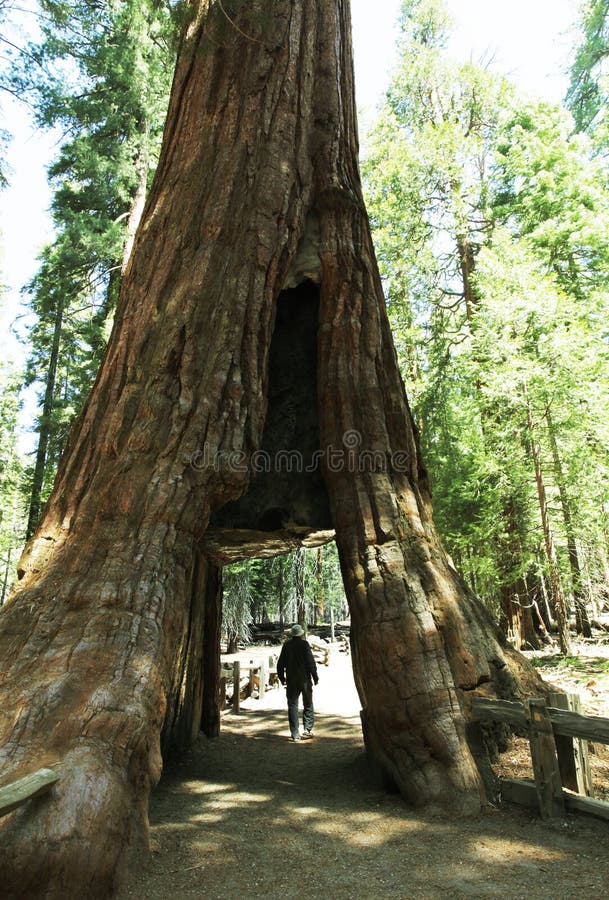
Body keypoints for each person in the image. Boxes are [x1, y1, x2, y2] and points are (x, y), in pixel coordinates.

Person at [277, 624, 319, 742]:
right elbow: (311, 662)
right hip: (305, 680)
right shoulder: (304, 645)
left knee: (292, 706)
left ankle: (295, 734)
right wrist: (315, 677)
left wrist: (282, 678)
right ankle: (307, 730)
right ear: (301, 634)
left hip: (291, 680)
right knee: (308, 703)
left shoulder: (287, 645)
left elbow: (280, 664)